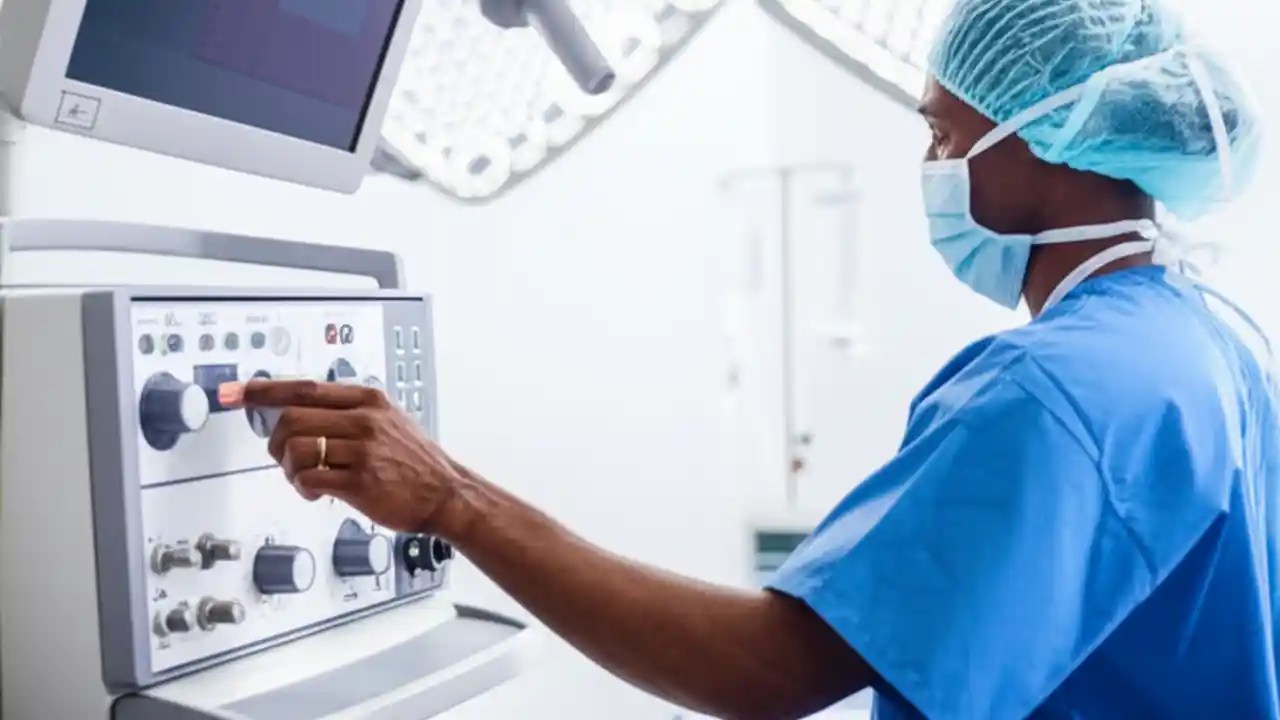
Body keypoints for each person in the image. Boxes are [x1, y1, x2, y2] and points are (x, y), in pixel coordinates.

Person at [225, 0, 1279, 717]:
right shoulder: (1209, 343)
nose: (931, 168)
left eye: (943, 137)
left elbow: (768, 670)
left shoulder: (1055, 390)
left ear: (1050, 140)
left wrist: (451, 499)